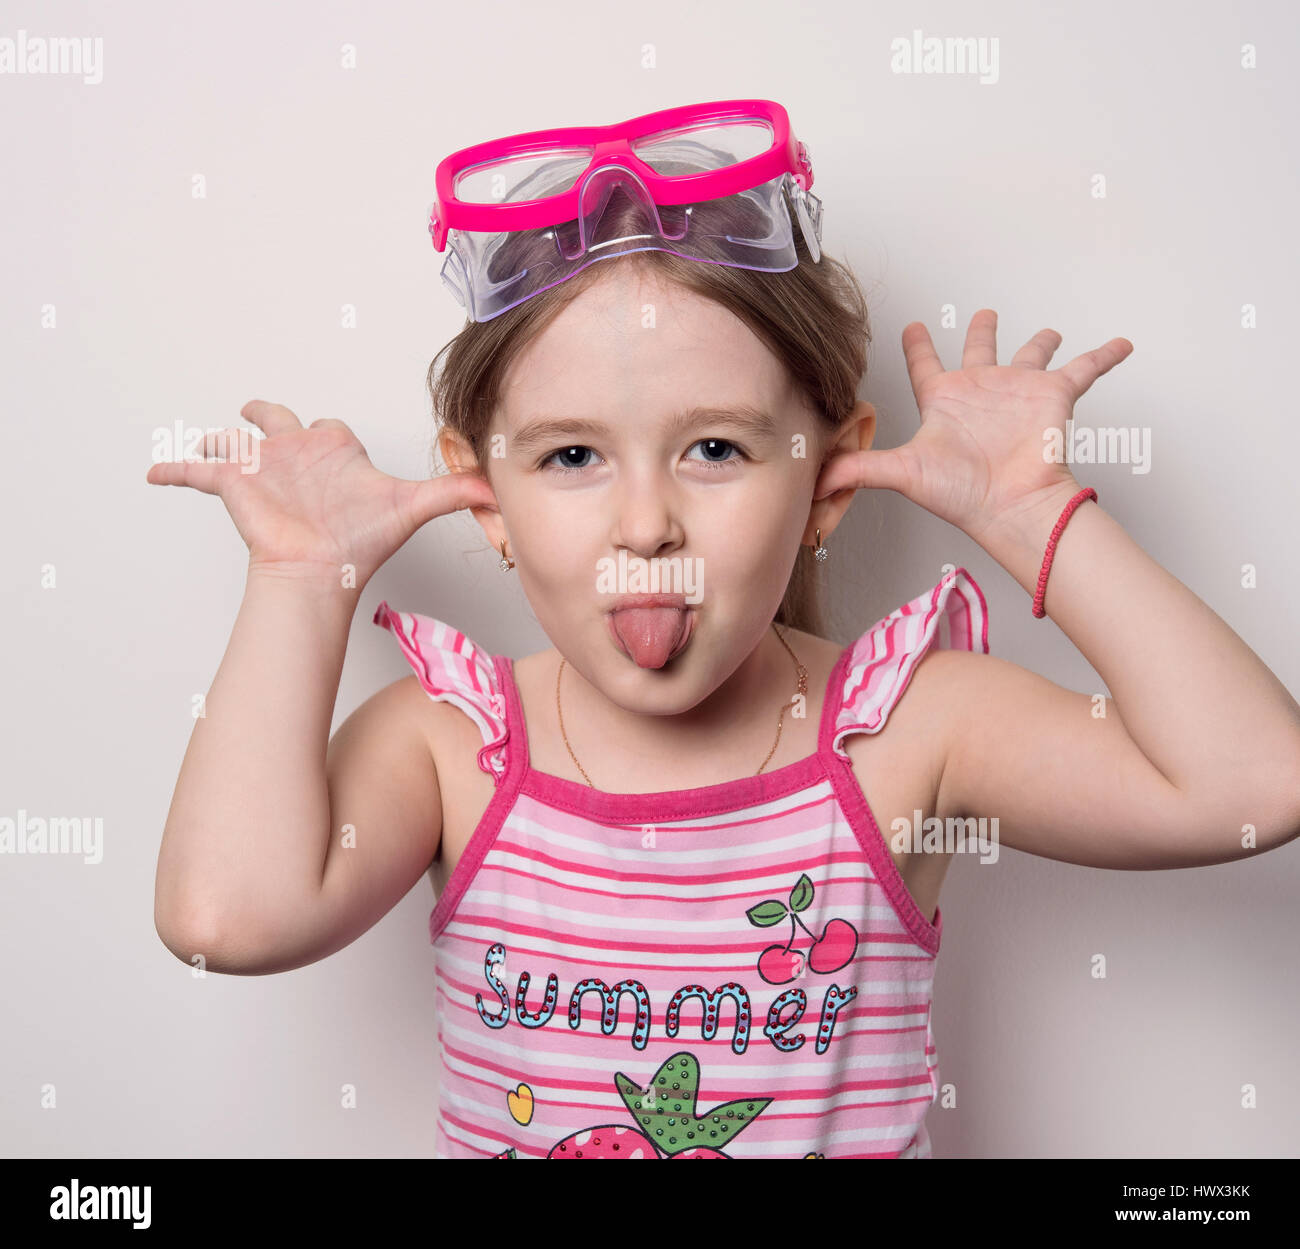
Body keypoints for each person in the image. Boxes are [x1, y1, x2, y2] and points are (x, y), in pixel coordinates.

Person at [148, 100, 1300, 1159]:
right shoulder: (449, 747)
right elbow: (224, 920)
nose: (646, 525)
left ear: (826, 480)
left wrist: (1035, 513)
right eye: (570, 455)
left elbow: (1251, 782)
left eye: (715, 449)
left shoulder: (904, 730)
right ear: (484, 493)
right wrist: (302, 579)